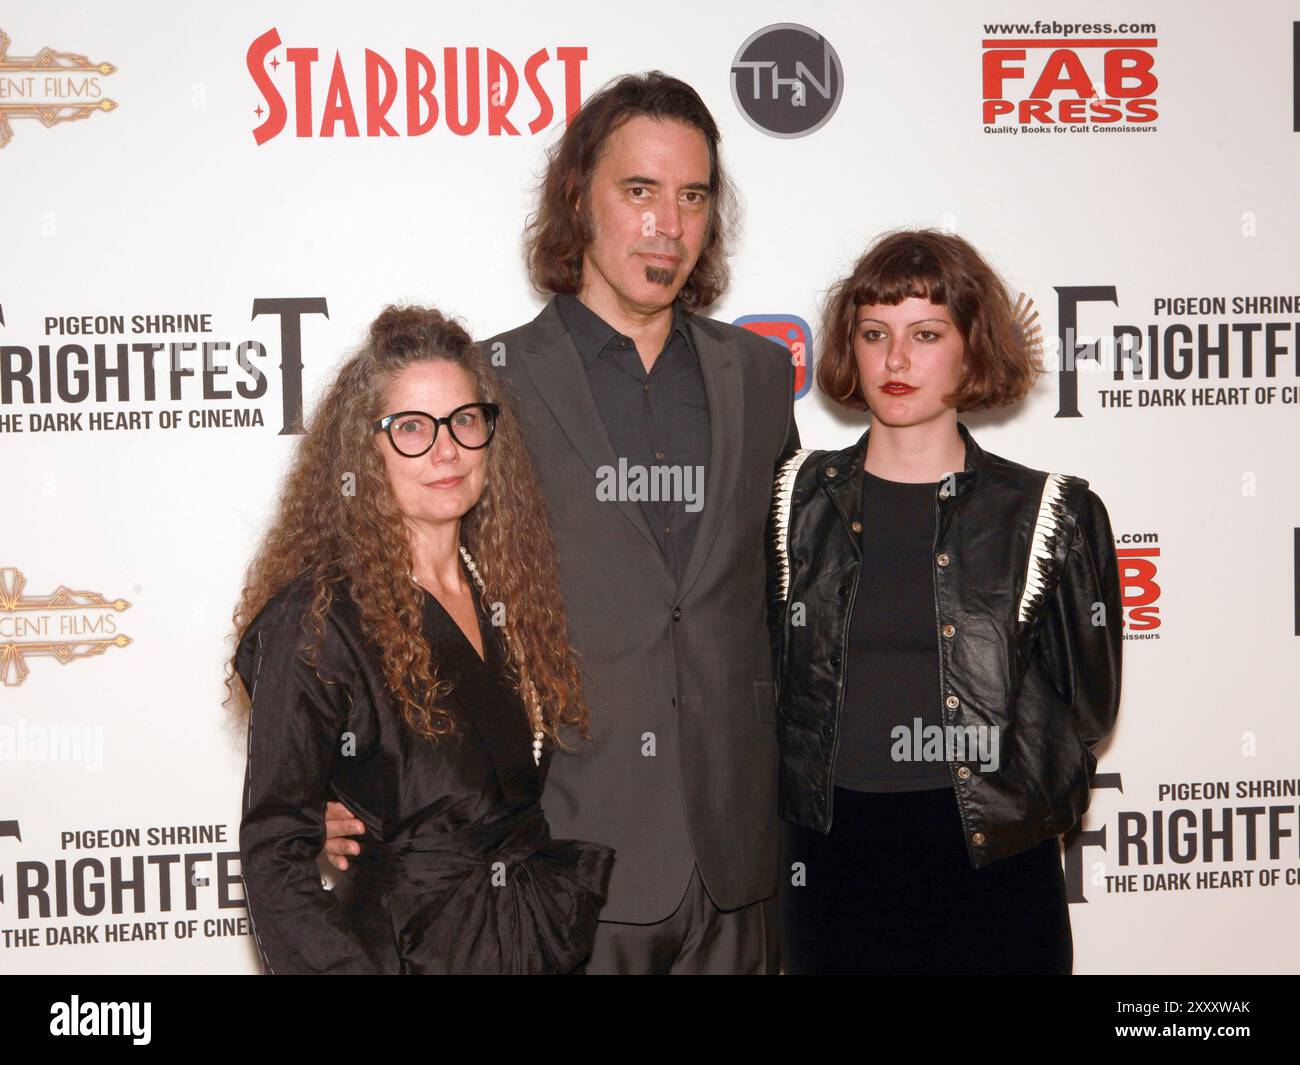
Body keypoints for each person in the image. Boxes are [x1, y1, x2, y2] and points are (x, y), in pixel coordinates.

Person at [324, 72, 799, 974]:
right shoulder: (492, 384)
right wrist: (336, 771)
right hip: (563, 849)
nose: (668, 224)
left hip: (740, 861)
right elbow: (400, 580)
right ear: (579, 196)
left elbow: (785, 600)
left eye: (692, 197)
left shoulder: (762, 377)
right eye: (640, 191)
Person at [767, 228, 1122, 974]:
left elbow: (1087, 708)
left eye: (925, 334)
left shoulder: (1049, 513)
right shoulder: (792, 498)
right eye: (874, 334)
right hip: (830, 863)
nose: (895, 361)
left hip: (990, 865)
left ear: (972, 348)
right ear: (850, 348)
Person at [227, 305, 614, 974]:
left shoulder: (506, 588)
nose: (446, 450)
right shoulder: (317, 619)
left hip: (528, 944)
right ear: (364, 449)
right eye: (411, 427)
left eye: (465, 420)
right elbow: (274, 858)